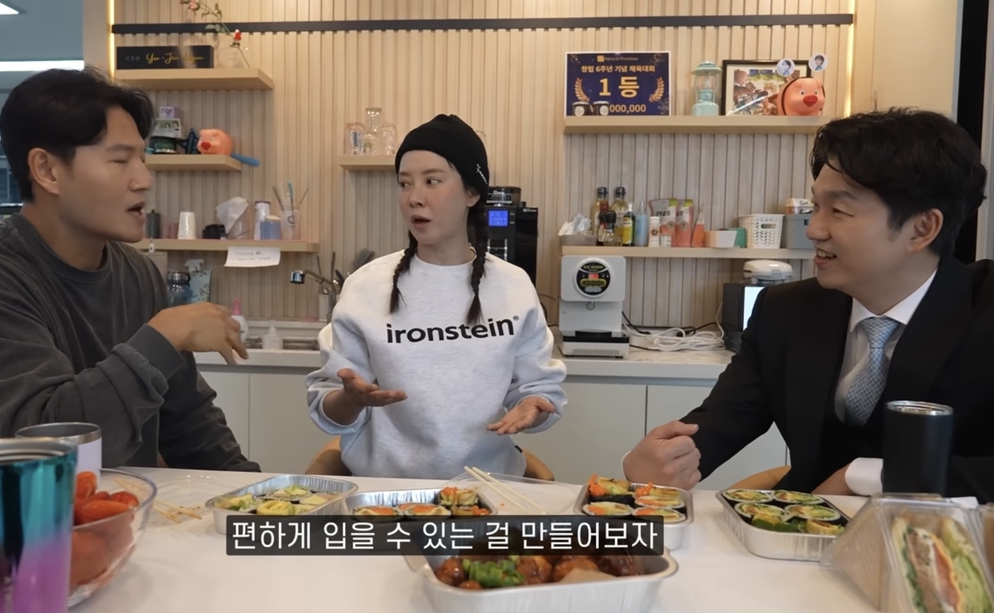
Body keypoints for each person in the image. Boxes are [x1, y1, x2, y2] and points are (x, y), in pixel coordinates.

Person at [622, 108, 994, 500]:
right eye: (815, 207)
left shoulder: (984, 311)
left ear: (921, 228)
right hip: (799, 531)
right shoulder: (786, 311)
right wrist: (657, 461)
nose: (814, 230)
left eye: (839, 211)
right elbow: (721, 422)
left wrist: (867, 476)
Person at [0, 68, 259, 472]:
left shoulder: (138, 274)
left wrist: (258, 498)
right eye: (120, 160)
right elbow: (50, 449)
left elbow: (187, 423)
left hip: (121, 511)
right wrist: (165, 337)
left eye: (142, 159)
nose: (144, 180)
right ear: (47, 170)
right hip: (0, 512)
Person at [305, 114, 567, 480]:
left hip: (489, 490)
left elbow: (538, 388)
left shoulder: (513, 285)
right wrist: (350, 400)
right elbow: (328, 408)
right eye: (404, 183)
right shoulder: (366, 286)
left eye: (432, 181)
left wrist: (534, 404)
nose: (414, 198)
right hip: (385, 494)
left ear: (471, 193)